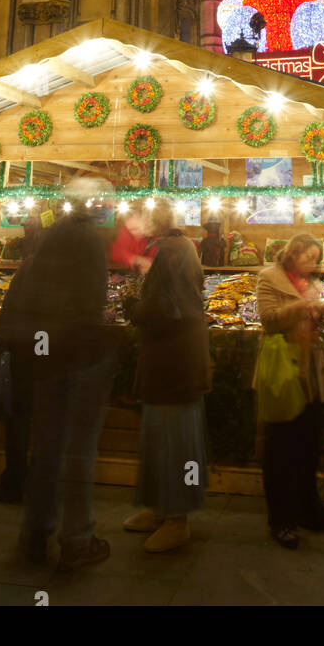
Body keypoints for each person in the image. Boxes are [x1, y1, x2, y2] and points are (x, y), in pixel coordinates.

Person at [17, 185, 116, 572]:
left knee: (45, 449)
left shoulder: (49, 237)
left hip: (45, 358)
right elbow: (92, 301)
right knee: (78, 453)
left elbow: (30, 294)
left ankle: (34, 537)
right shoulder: (87, 240)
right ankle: (77, 539)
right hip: (77, 358)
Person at [123, 199, 211, 553]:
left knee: (175, 439)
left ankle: (178, 519)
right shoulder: (177, 248)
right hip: (171, 358)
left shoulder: (170, 251)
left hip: (176, 362)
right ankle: (157, 507)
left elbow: (165, 307)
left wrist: (134, 309)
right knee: (158, 435)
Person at [255, 232, 324, 549]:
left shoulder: (314, 285)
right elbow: (268, 320)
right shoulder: (269, 279)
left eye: (316, 258)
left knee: (308, 446)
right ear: (293, 254)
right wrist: (304, 305)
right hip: (284, 371)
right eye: (309, 257)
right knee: (280, 450)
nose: (314, 263)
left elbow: (312, 319)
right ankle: (281, 520)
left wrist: (323, 312)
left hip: (310, 372)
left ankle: (310, 511)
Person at [0, 215, 45, 504]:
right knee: (35, 421)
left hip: (25, 354)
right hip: (37, 355)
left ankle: (14, 482)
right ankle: (31, 483)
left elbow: (13, 309)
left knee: (19, 422)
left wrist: (5, 343)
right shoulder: (50, 268)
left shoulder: (30, 268)